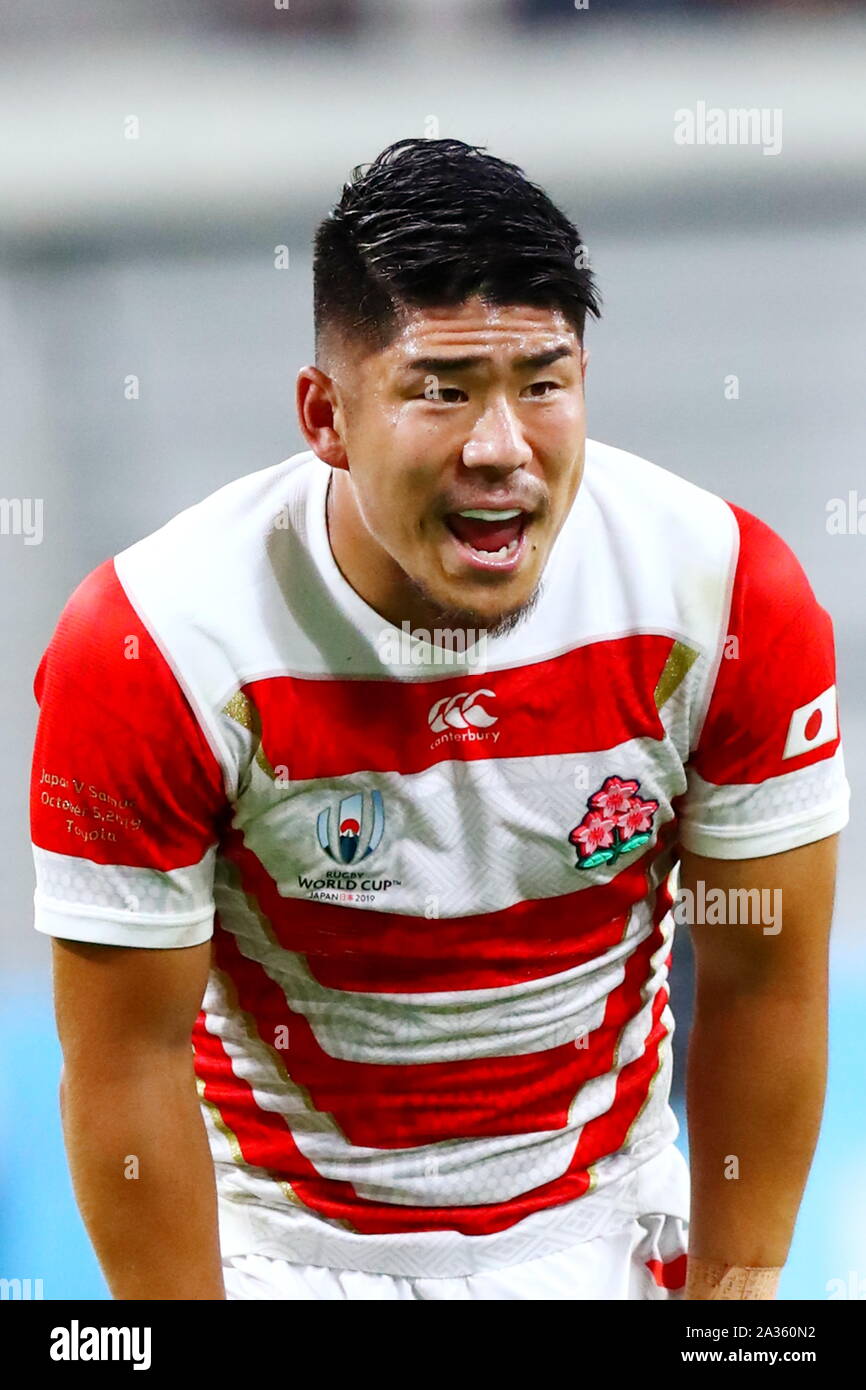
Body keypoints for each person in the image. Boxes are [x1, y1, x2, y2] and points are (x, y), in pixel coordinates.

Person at [30, 137, 849, 1301]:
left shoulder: (721, 598)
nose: (501, 449)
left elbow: (766, 974)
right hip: (288, 1258)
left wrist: (741, 1281)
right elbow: (124, 1059)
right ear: (324, 414)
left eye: (543, 383)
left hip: (605, 1241)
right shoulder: (153, 642)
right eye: (442, 389)